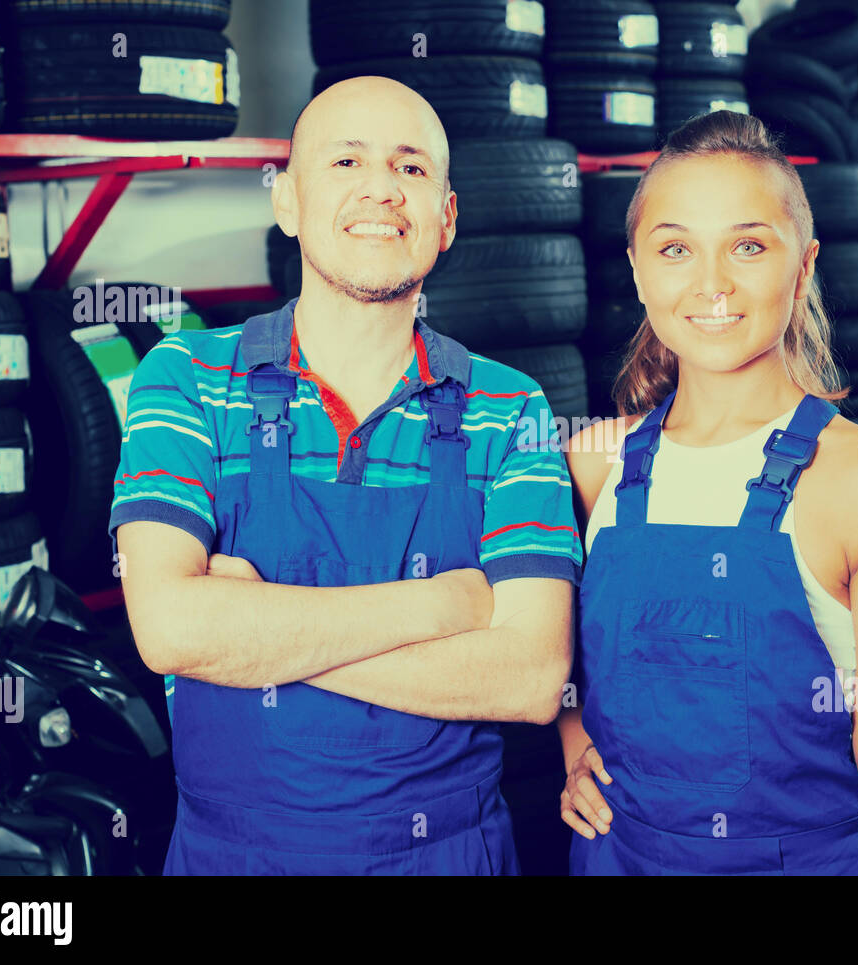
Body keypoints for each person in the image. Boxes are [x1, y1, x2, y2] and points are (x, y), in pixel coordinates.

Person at [556, 110, 858, 875]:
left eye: (748, 246)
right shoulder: (592, 464)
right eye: (675, 249)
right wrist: (573, 739)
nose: (712, 283)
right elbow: (552, 659)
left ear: (805, 263)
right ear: (636, 268)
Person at [109, 76, 582, 875]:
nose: (379, 190)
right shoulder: (184, 379)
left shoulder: (512, 407)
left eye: (410, 169)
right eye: (346, 161)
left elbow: (532, 676)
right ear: (287, 201)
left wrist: (255, 628)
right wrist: (446, 603)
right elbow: (171, 630)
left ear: (446, 218)